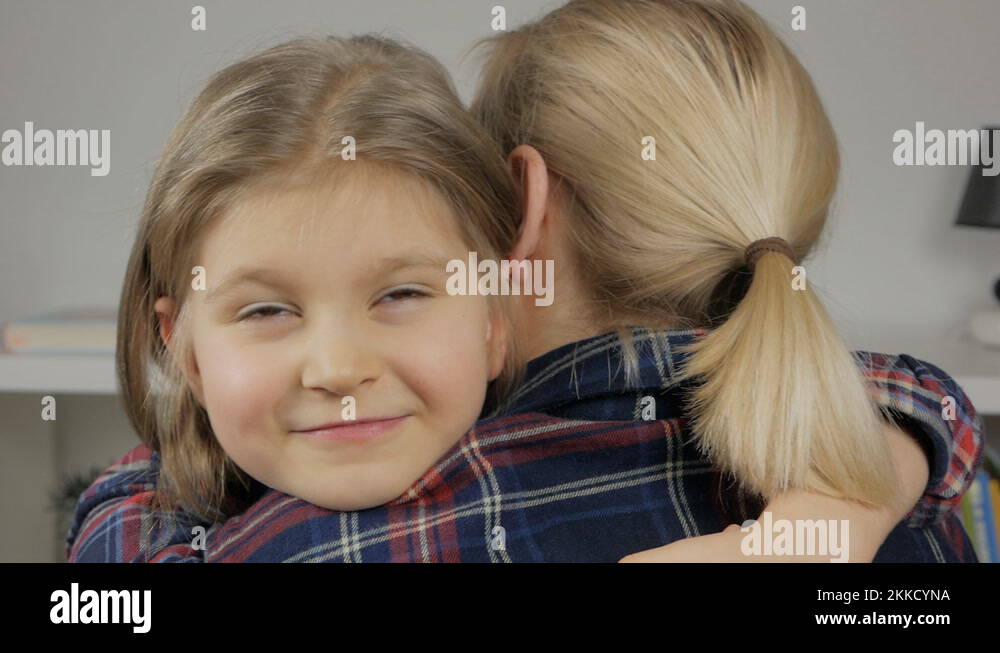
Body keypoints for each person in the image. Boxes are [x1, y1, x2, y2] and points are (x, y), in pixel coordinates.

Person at [67, 0, 983, 563]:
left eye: (400, 291)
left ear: (517, 208)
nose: (339, 365)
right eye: (268, 308)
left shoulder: (329, 538)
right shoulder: (896, 493)